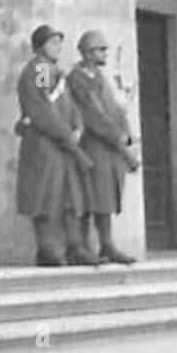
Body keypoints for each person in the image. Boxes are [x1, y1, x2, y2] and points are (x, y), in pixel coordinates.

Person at [15, 24, 97, 267]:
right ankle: (48, 250)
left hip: (63, 145)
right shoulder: (39, 69)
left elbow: (70, 107)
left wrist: (78, 127)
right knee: (46, 198)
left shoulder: (57, 72)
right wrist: (67, 136)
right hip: (45, 145)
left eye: (59, 42)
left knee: (70, 197)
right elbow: (43, 110)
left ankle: (75, 247)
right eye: (52, 42)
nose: (58, 47)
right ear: (40, 46)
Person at [66, 30, 139, 264]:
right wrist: (118, 137)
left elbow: (114, 108)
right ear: (87, 52)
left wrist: (127, 134)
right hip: (93, 144)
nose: (105, 53)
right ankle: (82, 247)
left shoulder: (98, 77)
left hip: (109, 146)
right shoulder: (77, 78)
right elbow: (93, 114)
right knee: (90, 195)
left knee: (106, 196)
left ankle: (107, 245)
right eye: (100, 49)